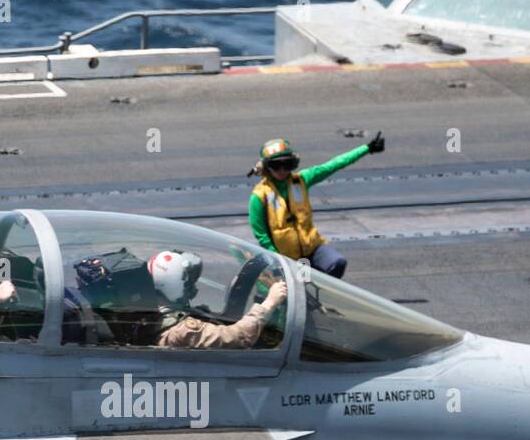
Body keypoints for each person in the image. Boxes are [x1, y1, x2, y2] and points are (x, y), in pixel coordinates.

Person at [248, 133, 385, 278]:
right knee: (299, 288)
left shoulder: (301, 180)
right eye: (276, 166)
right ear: (266, 167)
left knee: (337, 262)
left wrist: (367, 148)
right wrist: (279, 261)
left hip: (312, 249)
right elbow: (261, 235)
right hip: (287, 259)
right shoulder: (259, 196)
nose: (282, 171)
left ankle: (318, 288)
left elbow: (335, 164)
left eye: (286, 165)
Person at [148, 249, 287, 350]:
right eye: (189, 284)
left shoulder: (154, 315)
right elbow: (239, 336)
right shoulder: (184, 331)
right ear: (175, 287)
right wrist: (269, 303)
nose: (193, 289)